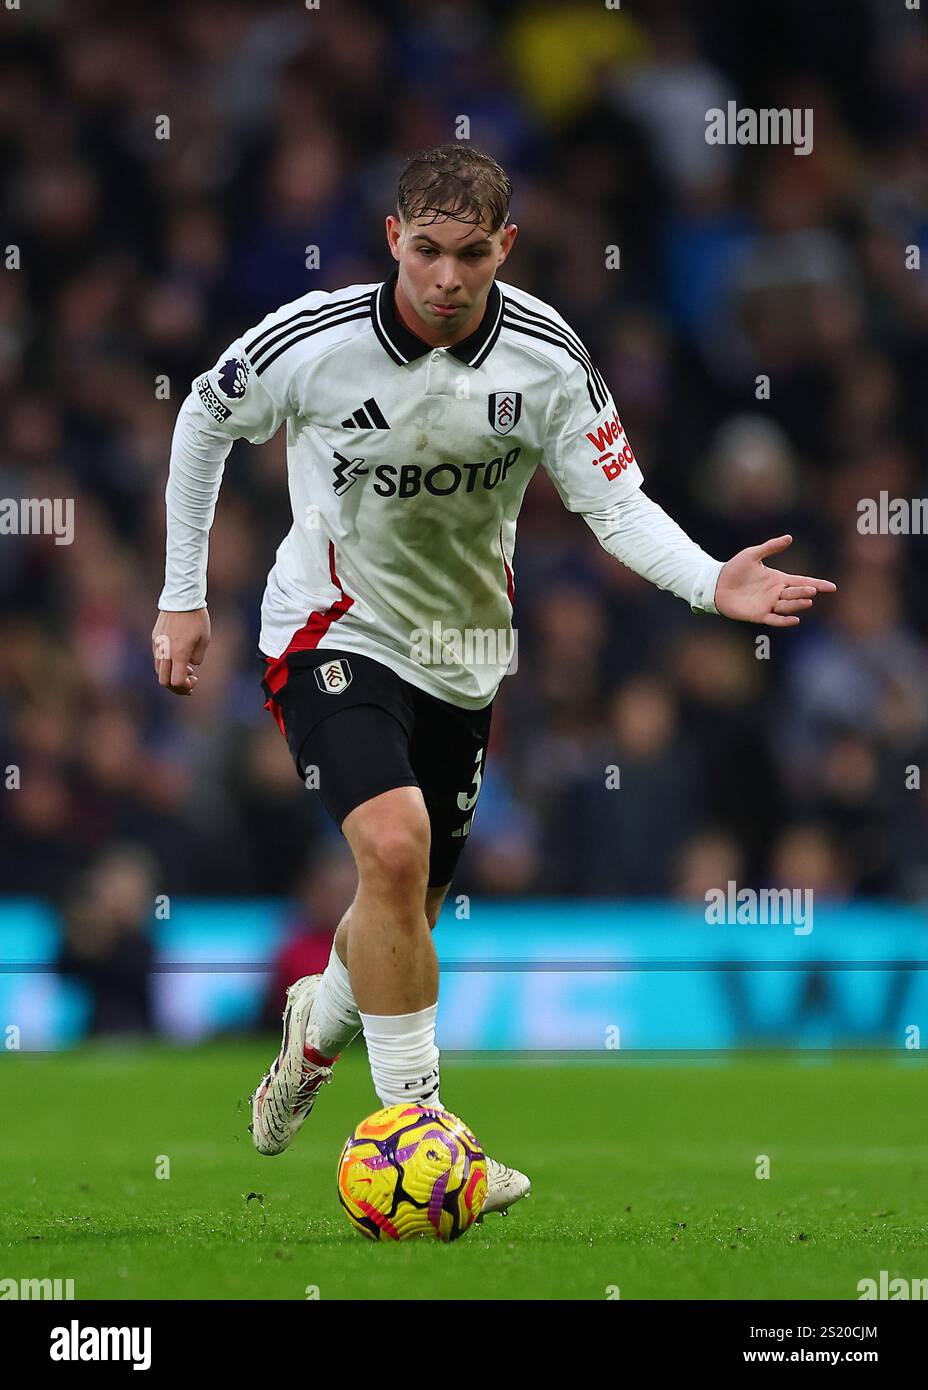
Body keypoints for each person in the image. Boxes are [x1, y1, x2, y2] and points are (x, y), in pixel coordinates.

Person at [152, 144, 836, 1220]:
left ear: (503, 248)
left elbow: (614, 505)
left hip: (466, 659)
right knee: (391, 845)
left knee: (404, 909)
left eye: (470, 254)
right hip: (330, 627)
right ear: (391, 239)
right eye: (424, 250)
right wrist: (182, 594)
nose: (444, 278)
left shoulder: (548, 360)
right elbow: (201, 415)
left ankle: (315, 1029)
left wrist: (711, 582)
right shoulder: (313, 343)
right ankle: (432, 1140)